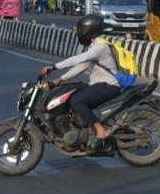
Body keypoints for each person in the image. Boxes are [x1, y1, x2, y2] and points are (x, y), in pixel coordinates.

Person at [41, 14, 121, 147]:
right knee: (73, 93)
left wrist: (54, 67)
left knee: (76, 101)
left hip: (109, 86)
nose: (80, 33)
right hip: (100, 85)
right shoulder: (96, 46)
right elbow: (81, 67)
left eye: (82, 30)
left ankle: (101, 131)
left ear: (89, 30)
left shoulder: (100, 47)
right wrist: (60, 79)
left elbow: (78, 59)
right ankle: (84, 128)